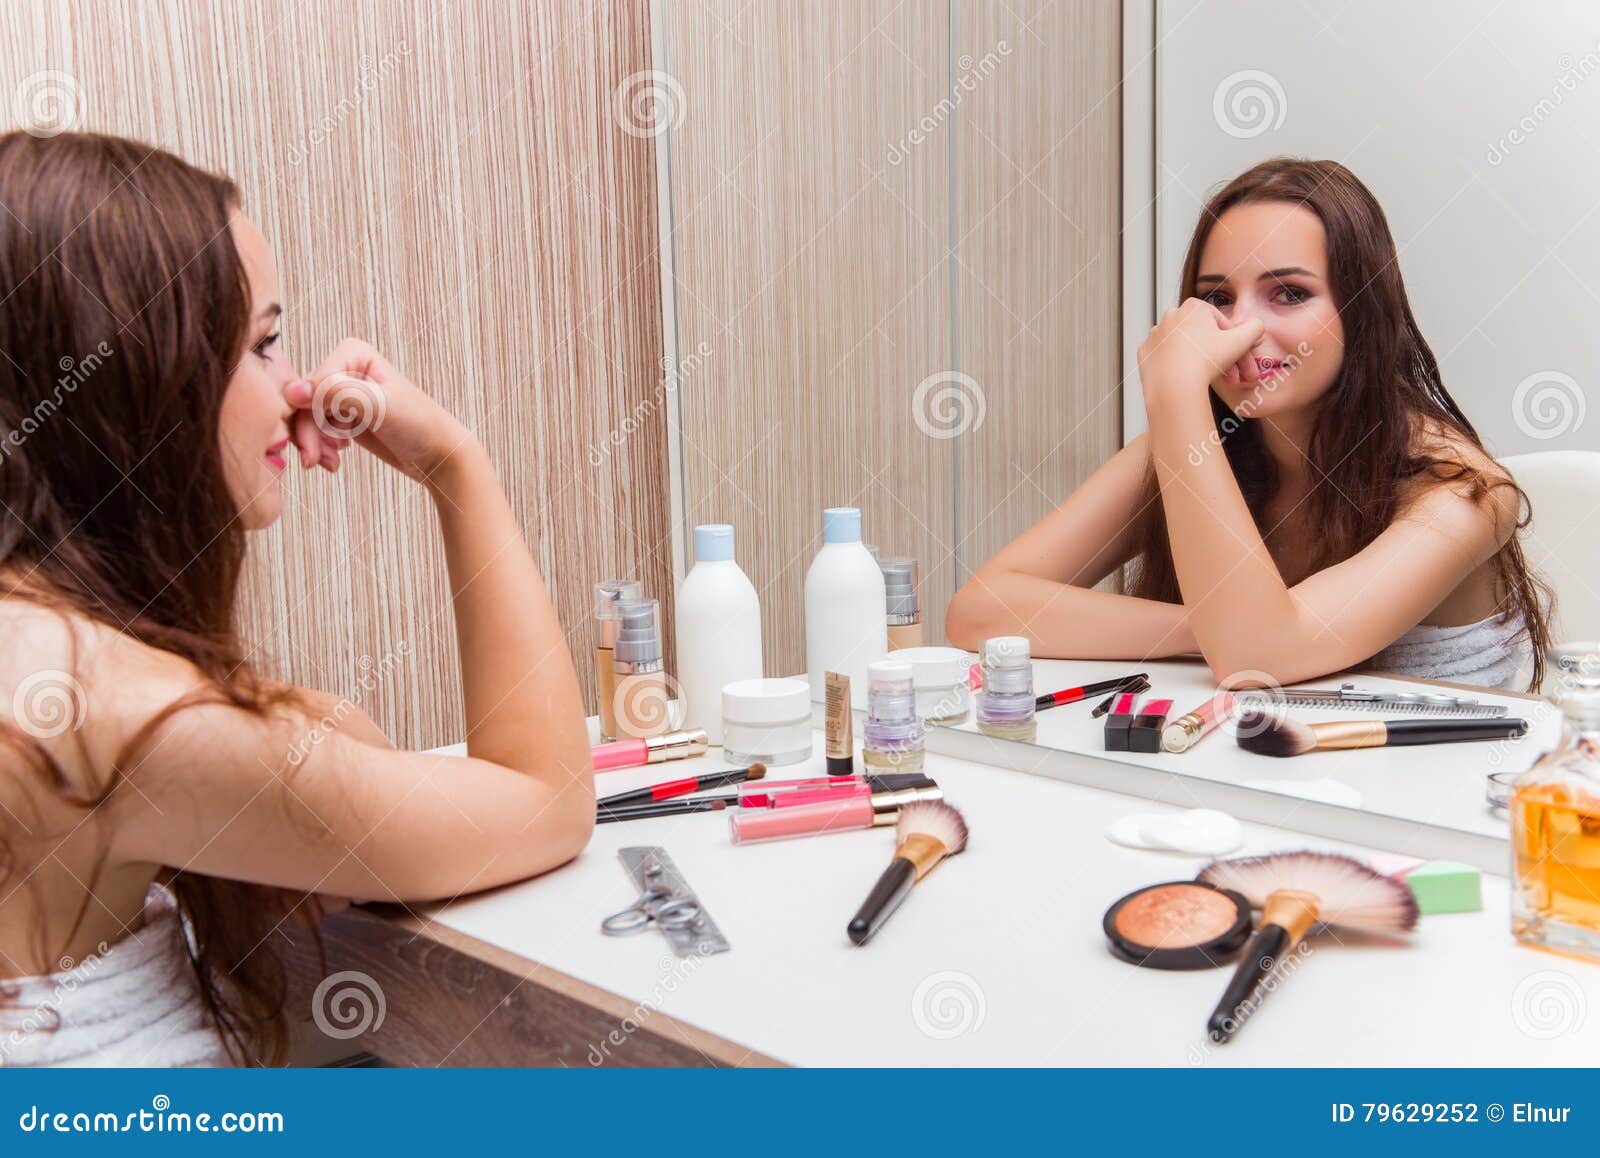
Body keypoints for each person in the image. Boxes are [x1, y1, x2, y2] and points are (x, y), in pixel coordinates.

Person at [0, 131, 595, 1065]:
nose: (296, 388)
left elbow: (321, 759)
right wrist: (456, 467)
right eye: (264, 344)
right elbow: (546, 802)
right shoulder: (131, 720)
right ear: (137, 374)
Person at [947, 158, 1552, 692]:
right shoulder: (1195, 443)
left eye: (1288, 293)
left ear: (1360, 310)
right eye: (1216, 299)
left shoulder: (1461, 487)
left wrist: (1176, 393)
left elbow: (1256, 656)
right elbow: (981, 612)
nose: (1243, 329)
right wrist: (1207, 623)